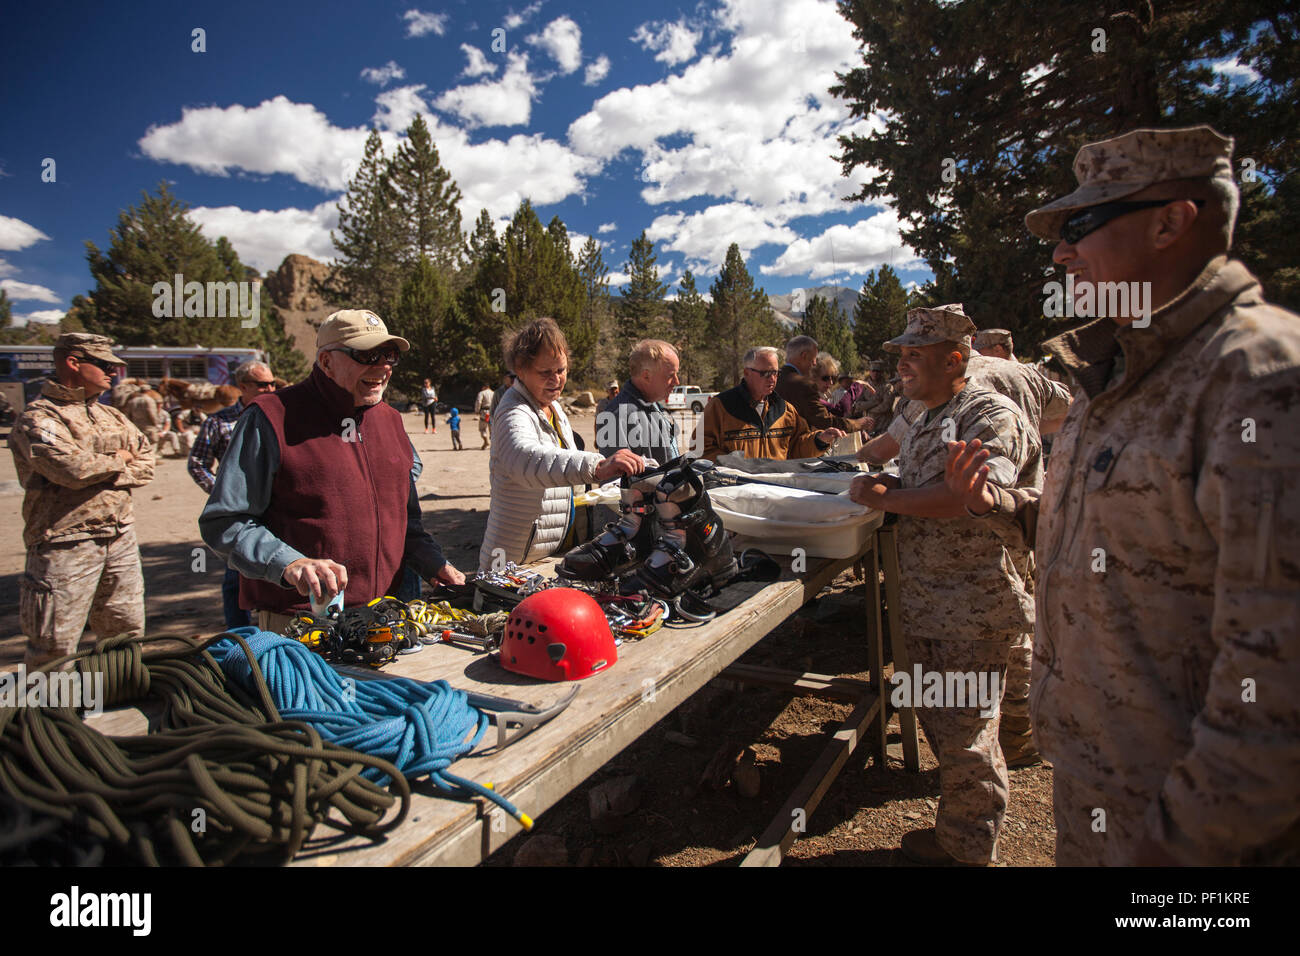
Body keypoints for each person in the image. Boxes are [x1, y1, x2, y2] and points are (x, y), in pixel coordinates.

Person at [944, 125, 1300, 866]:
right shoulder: (1116, 376)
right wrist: (998, 503)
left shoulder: (1258, 379)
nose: (1059, 251)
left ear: (1172, 221)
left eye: (1081, 225)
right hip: (1099, 789)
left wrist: (1174, 847)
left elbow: (1276, 687)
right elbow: (1108, 542)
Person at [848, 306, 1037, 866]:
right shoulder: (929, 412)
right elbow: (923, 476)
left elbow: (972, 496)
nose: (902, 366)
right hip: (933, 598)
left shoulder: (988, 414)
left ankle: (966, 852)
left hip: (974, 605)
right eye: (900, 354)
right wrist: (894, 481)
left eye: (914, 355)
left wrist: (891, 499)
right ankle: (960, 835)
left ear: (954, 358)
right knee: (952, 727)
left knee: (969, 738)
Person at [199, 310, 463, 634]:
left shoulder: (391, 420)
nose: (383, 367)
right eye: (367, 355)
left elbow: (406, 522)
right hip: (302, 625)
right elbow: (224, 521)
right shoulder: (270, 417)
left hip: (388, 618)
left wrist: (435, 563)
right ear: (326, 362)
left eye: (390, 355)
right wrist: (289, 563)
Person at [9, 333, 154, 668]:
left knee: (125, 632)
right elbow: (70, 469)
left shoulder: (112, 416)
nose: (113, 373)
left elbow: (146, 464)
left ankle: (120, 699)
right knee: (55, 642)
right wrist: (120, 459)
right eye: (104, 365)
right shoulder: (39, 418)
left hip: (119, 537)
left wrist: (104, 466)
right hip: (64, 542)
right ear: (73, 362)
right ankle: (50, 717)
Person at [480, 318, 645, 571]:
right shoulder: (514, 411)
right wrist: (598, 465)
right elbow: (525, 459)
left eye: (562, 370)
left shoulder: (554, 407)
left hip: (545, 554)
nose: (556, 379)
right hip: (512, 562)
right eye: (545, 372)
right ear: (521, 370)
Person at [188, 359, 277, 629]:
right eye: (263, 385)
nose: (271, 389)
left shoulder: (280, 417)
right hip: (241, 514)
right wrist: (221, 491)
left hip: (275, 508)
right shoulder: (219, 422)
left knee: (277, 569)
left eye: (274, 383)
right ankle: (239, 636)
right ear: (242, 386)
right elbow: (197, 463)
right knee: (235, 575)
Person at [695, 346, 843, 462]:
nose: (772, 379)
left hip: (775, 490)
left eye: (776, 373)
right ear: (747, 373)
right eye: (766, 373)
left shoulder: (785, 410)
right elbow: (700, 448)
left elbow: (797, 447)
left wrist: (820, 439)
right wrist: (733, 463)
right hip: (736, 492)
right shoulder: (721, 406)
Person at [596, 339, 682, 463]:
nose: (677, 382)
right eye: (670, 375)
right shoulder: (617, 416)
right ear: (646, 376)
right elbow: (617, 479)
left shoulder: (654, 405)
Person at [777, 335, 870, 434]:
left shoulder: (774, 378)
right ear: (804, 355)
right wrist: (857, 424)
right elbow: (824, 420)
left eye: (833, 378)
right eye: (813, 359)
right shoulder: (803, 385)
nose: (814, 364)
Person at [475, 381, 494, 449]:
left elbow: (479, 401)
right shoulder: (494, 393)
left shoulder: (481, 393)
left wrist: (477, 410)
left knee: (482, 428)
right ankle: (493, 444)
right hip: (492, 412)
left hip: (484, 412)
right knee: (492, 428)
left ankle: (486, 440)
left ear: (484, 387)